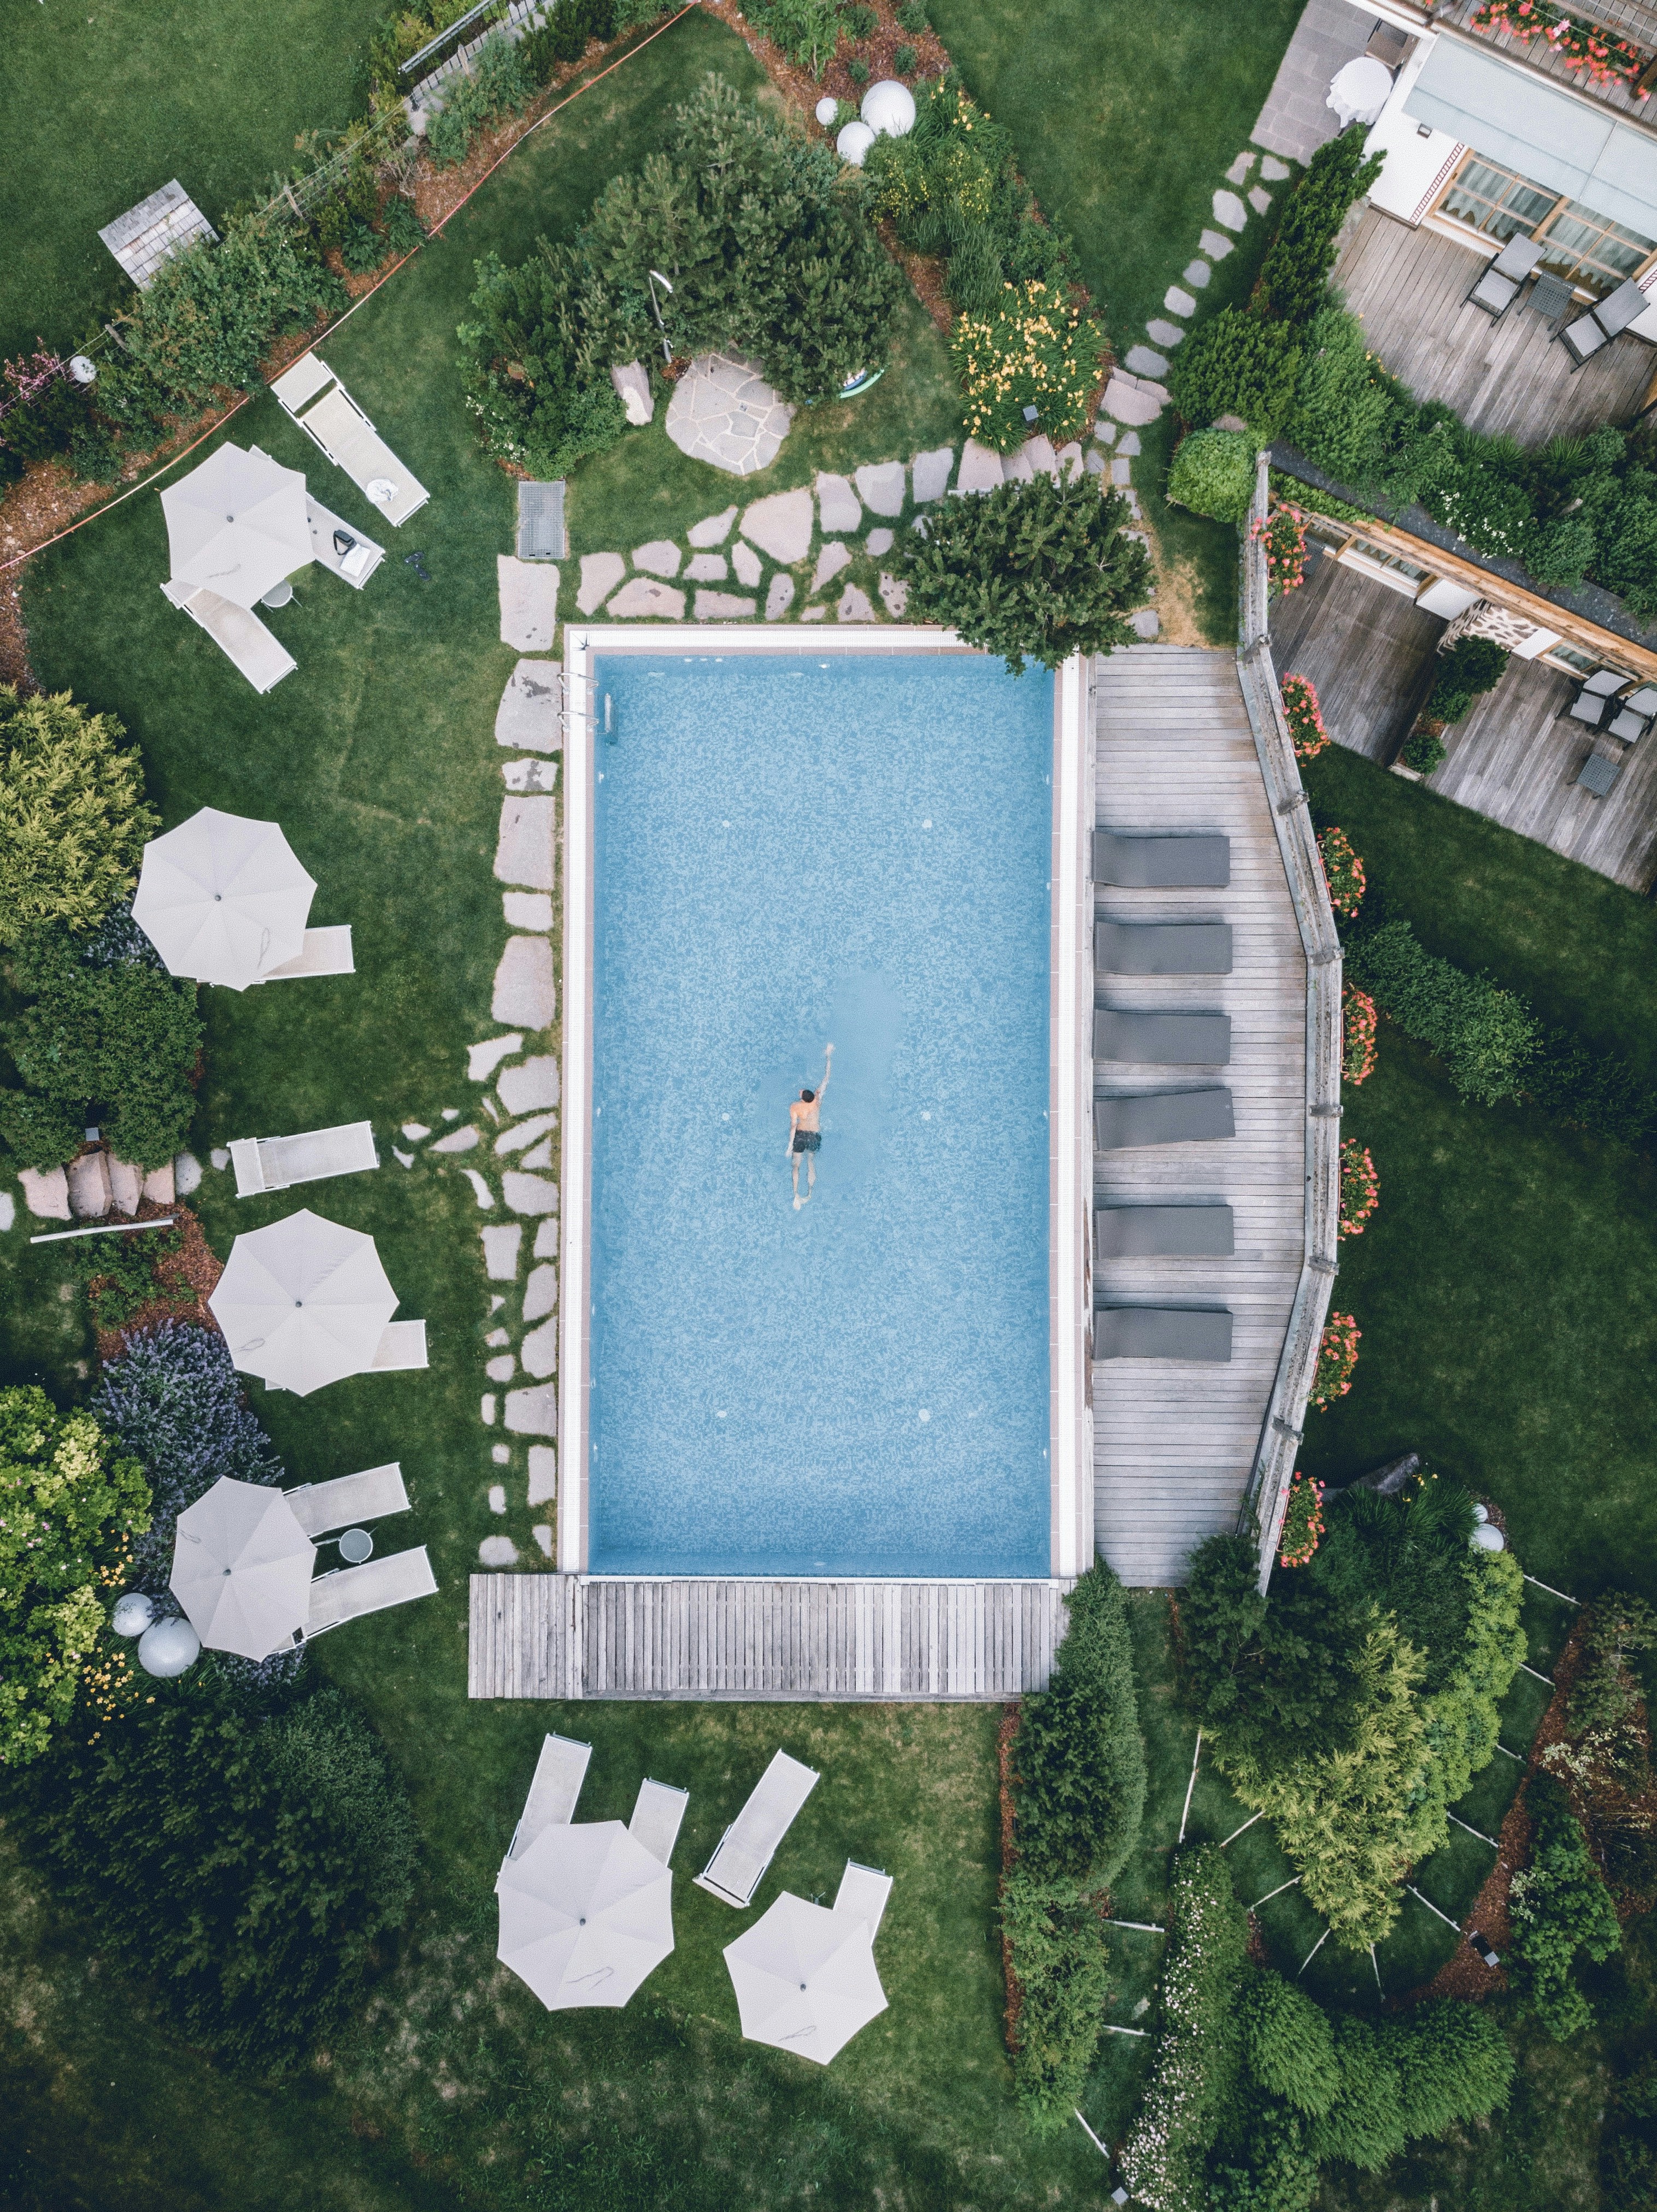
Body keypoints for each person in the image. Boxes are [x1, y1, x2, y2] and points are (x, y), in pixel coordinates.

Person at [787, 1044, 833, 1209]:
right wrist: (828, 1056)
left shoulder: (795, 1107)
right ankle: (810, 1193)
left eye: (801, 1092)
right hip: (814, 1135)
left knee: (796, 1166)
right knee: (811, 1162)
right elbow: (827, 1076)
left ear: (802, 1099)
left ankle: (795, 1196)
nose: (800, 1091)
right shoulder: (818, 1099)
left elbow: (793, 1127)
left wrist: (788, 1147)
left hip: (800, 1135)